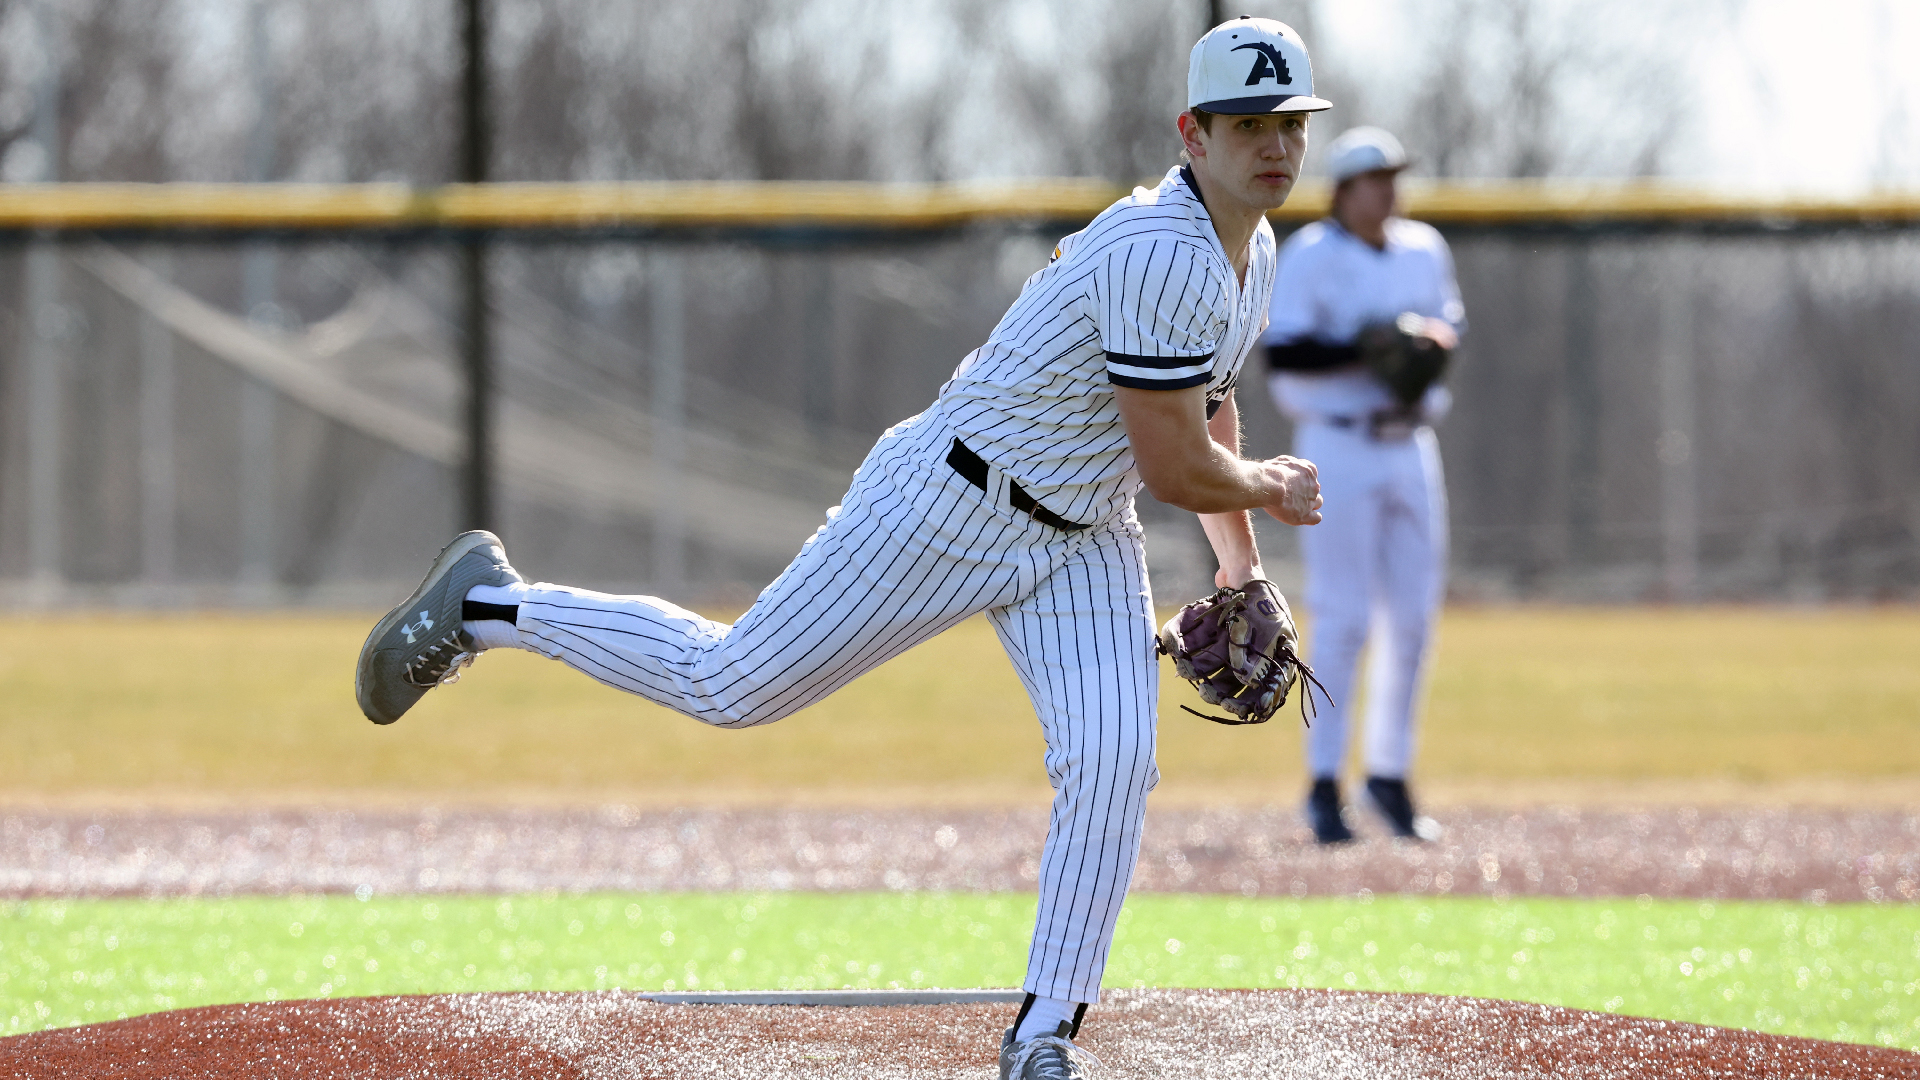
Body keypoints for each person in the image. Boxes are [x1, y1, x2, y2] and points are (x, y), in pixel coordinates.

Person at [356, 17, 1329, 1077]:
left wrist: (1241, 567)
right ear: (1193, 133)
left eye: (1290, 124)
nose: (1274, 145)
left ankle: (1044, 1034)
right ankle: (488, 606)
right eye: (1248, 124)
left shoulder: (1252, 252)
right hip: (950, 503)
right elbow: (1177, 466)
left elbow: (1206, 405)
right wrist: (1272, 490)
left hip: (1085, 529)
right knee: (732, 684)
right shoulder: (1162, 252)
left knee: (1114, 760)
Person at [1260, 126, 1464, 845]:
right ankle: (1324, 782)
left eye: (1393, 177)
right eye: (1374, 179)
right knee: (1343, 616)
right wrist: (1366, 345)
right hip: (1336, 444)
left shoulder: (1424, 249)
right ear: (1343, 190)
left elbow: (1447, 335)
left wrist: (1419, 346)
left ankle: (1389, 775)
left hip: (1410, 442)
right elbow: (1283, 351)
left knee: (1413, 619)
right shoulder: (1313, 253)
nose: (1388, 190)